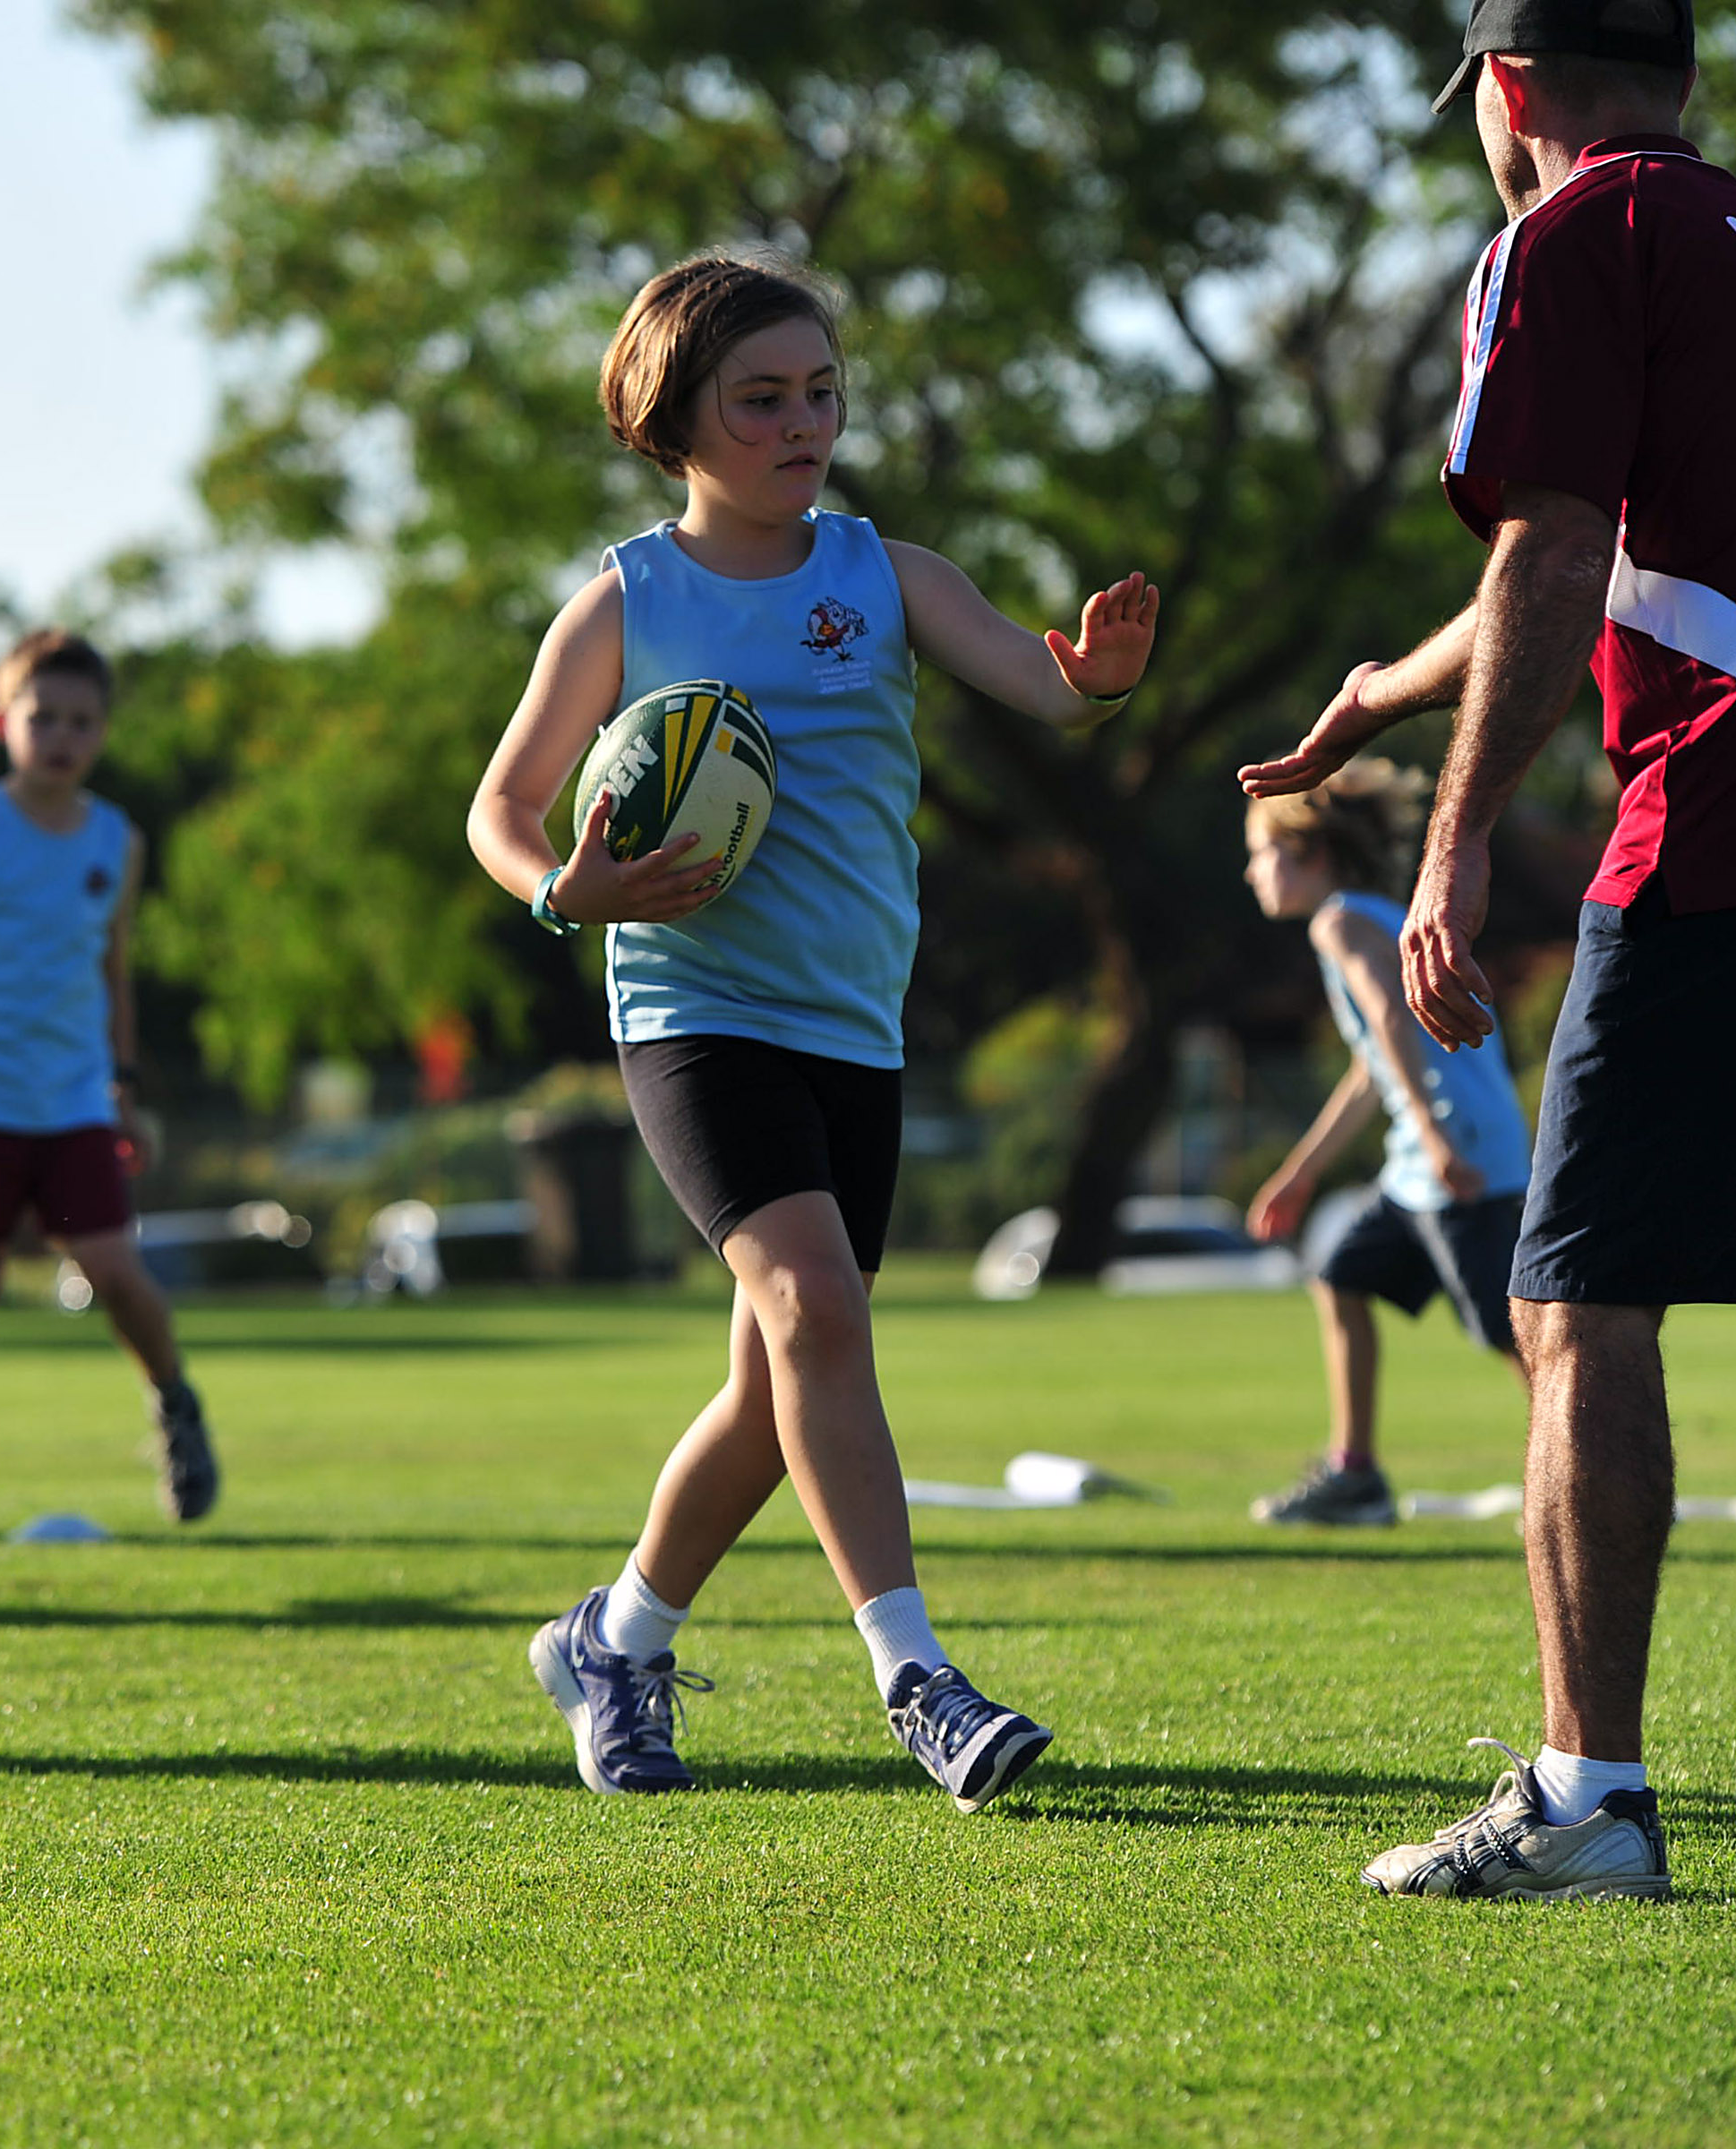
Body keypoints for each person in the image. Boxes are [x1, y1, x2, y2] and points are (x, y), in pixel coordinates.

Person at [1244, 0, 1736, 1896]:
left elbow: (1543, 553)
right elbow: (1640, 544)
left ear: (1503, 89)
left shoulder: (1565, 234)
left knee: (1574, 1303)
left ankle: (1589, 1798)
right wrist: (1384, 689)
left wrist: (1445, 854)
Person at [466, 252, 1159, 1805]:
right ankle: (919, 1677)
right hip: (696, 1016)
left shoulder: (887, 574)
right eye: (762, 398)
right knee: (819, 1312)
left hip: (855, 1028)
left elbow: (1041, 691)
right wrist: (563, 891)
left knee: (782, 1389)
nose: (805, 423)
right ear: (672, 420)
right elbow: (501, 809)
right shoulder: (630, 599)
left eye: (822, 392)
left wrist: (1097, 682)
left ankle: (616, 1638)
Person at [0, 629, 216, 1537]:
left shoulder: (116, 839)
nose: (61, 736)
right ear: (2, 720)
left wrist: (124, 1085)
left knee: (111, 1268)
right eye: (43, 717)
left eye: (81, 721)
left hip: (72, 1101)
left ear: (102, 732)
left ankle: (176, 1408)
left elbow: (112, 972)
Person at [1241, 760, 1532, 1526]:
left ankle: (1590, 1464)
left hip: (1454, 1155)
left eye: (1261, 853)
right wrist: (1300, 1174)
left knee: (1511, 1332)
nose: (1251, 872)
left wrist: (1436, 1139)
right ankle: (1356, 1473)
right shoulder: (1371, 912)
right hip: (1422, 1160)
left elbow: (1393, 1024)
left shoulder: (1339, 922)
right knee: (1340, 1275)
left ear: (1309, 853)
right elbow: (1372, 1069)